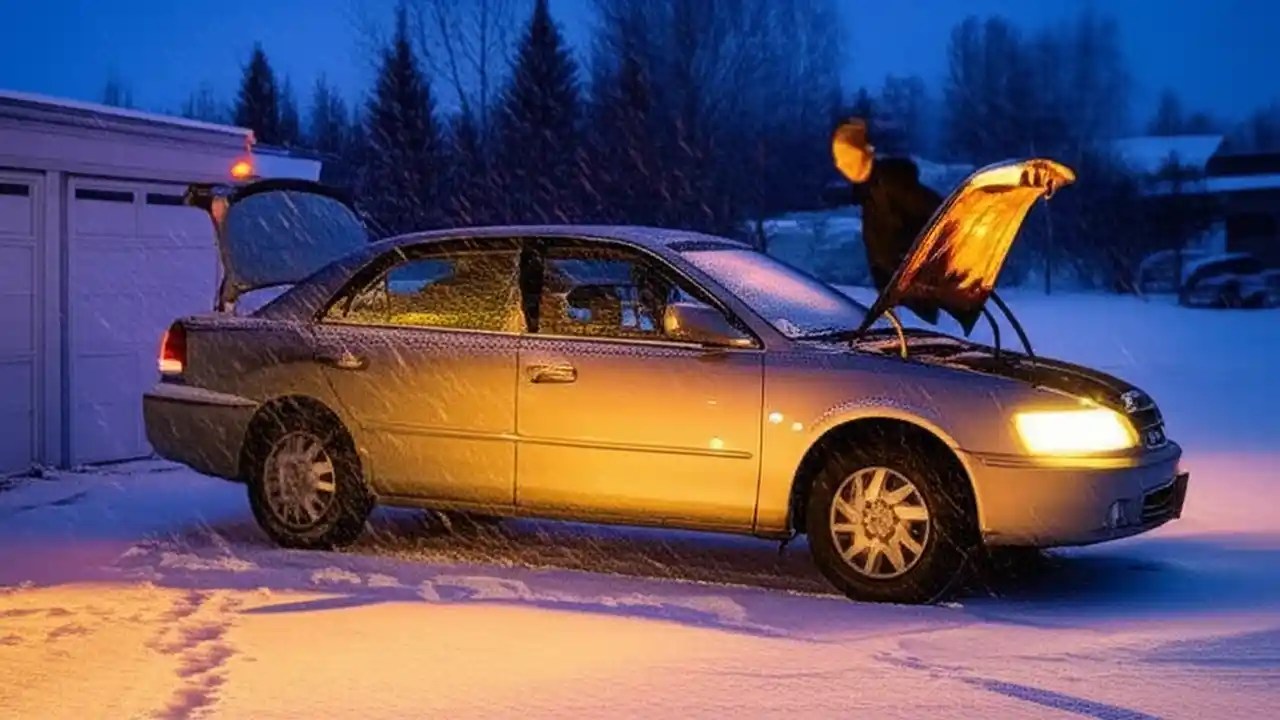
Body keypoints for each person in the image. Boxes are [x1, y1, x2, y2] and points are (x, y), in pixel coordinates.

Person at [830, 118, 942, 294]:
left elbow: (938, 212)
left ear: (858, 155)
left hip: (915, 285)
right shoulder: (870, 191)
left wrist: (912, 261)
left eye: (844, 158)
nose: (840, 165)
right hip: (896, 287)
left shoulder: (890, 182)